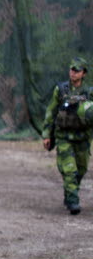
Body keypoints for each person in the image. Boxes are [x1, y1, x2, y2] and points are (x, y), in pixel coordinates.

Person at [41, 56, 93, 215]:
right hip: (64, 137)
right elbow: (51, 112)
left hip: (82, 138)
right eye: (71, 69)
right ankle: (73, 202)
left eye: (77, 70)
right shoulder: (61, 90)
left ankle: (70, 192)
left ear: (84, 73)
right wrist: (46, 134)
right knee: (69, 170)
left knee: (81, 169)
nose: (73, 73)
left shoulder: (89, 92)